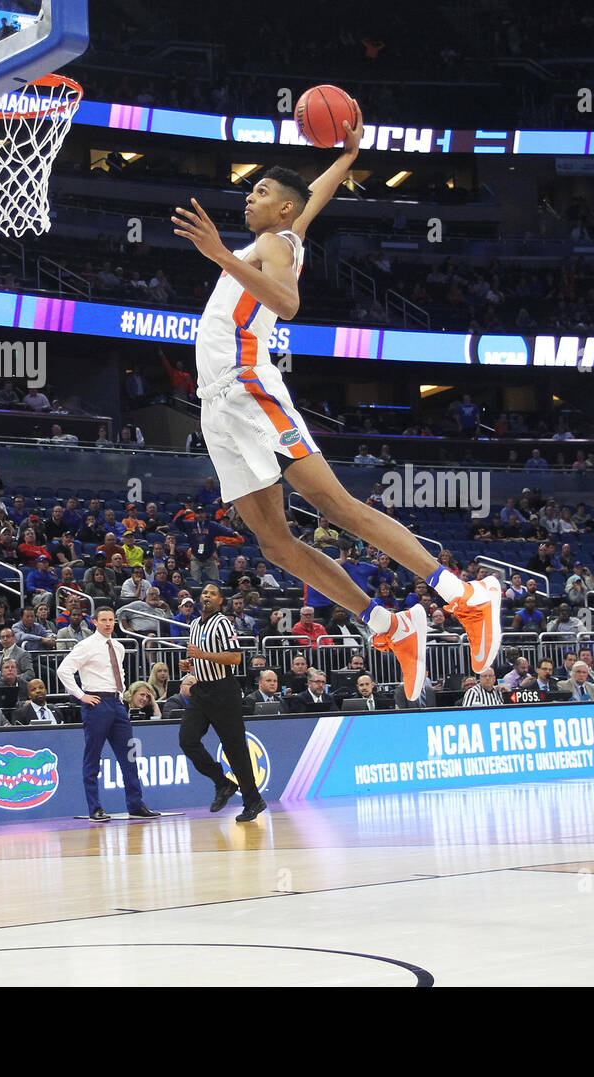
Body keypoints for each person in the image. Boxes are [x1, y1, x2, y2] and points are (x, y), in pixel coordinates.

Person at [172, 110, 501, 700]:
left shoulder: (271, 245)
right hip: (217, 408)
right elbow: (311, 199)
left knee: (335, 504)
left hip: (249, 387)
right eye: (253, 187)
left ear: (283, 211)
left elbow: (290, 306)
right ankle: (390, 625)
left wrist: (221, 255)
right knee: (273, 542)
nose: (253, 195)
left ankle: (462, 593)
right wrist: (346, 159)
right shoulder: (280, 234)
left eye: (264, 191)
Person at [57, 607, 162, 822]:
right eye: (103, 620)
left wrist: (122, 695)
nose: (107, 624)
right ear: (94, 622)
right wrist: (81, 695)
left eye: (111, 620)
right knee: (93, 758)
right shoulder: (85, 645)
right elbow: (63, 670)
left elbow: (119, 672)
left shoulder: (118, 646)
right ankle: (94, 808)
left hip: (116, 702)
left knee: (130, 756)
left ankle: (136, 804)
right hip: (96, 702)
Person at [181, 583, 265, 821]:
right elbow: (199, 657)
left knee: (235, 749)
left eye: (212, 594)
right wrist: (190, 665)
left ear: (220, 602)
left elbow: (235, 657)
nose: (207, 596)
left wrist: (202, 656)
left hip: (223, 690)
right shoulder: (195, 624)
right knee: (187, 740)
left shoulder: (223, 623)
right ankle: (222, 782)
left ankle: (253, 801)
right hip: (201, 690)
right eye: (204, 593)